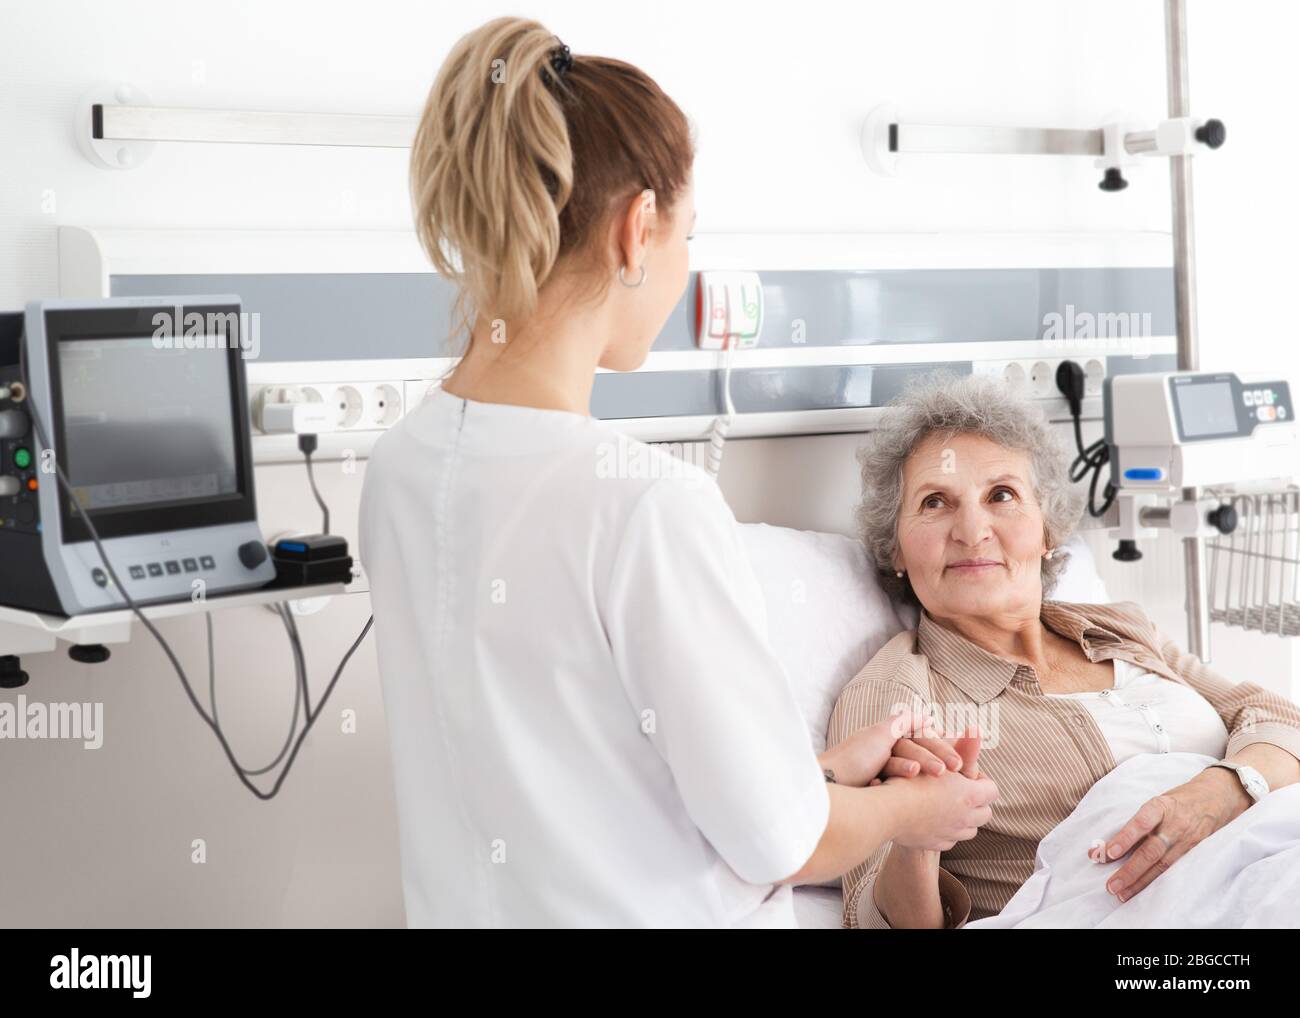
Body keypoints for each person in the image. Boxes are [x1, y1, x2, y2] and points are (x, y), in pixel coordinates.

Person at [359, 16, 995, 927]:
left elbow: (582, 778)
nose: (686, 266)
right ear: (635, 230)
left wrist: (811, 775)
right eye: (688, 234)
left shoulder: (399, 467)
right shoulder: (648, 504)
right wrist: (913, 810)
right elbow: (780, 845)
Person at [828, 372, 1300, 928]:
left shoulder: (1123, 630)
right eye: (935, 503)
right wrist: (913, 838)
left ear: (1048, 529)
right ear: (896, 548)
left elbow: (1276, 717)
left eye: (1001, 495)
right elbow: (870, 917)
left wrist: (1225, 788)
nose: (973, 529)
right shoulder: (901, 695)